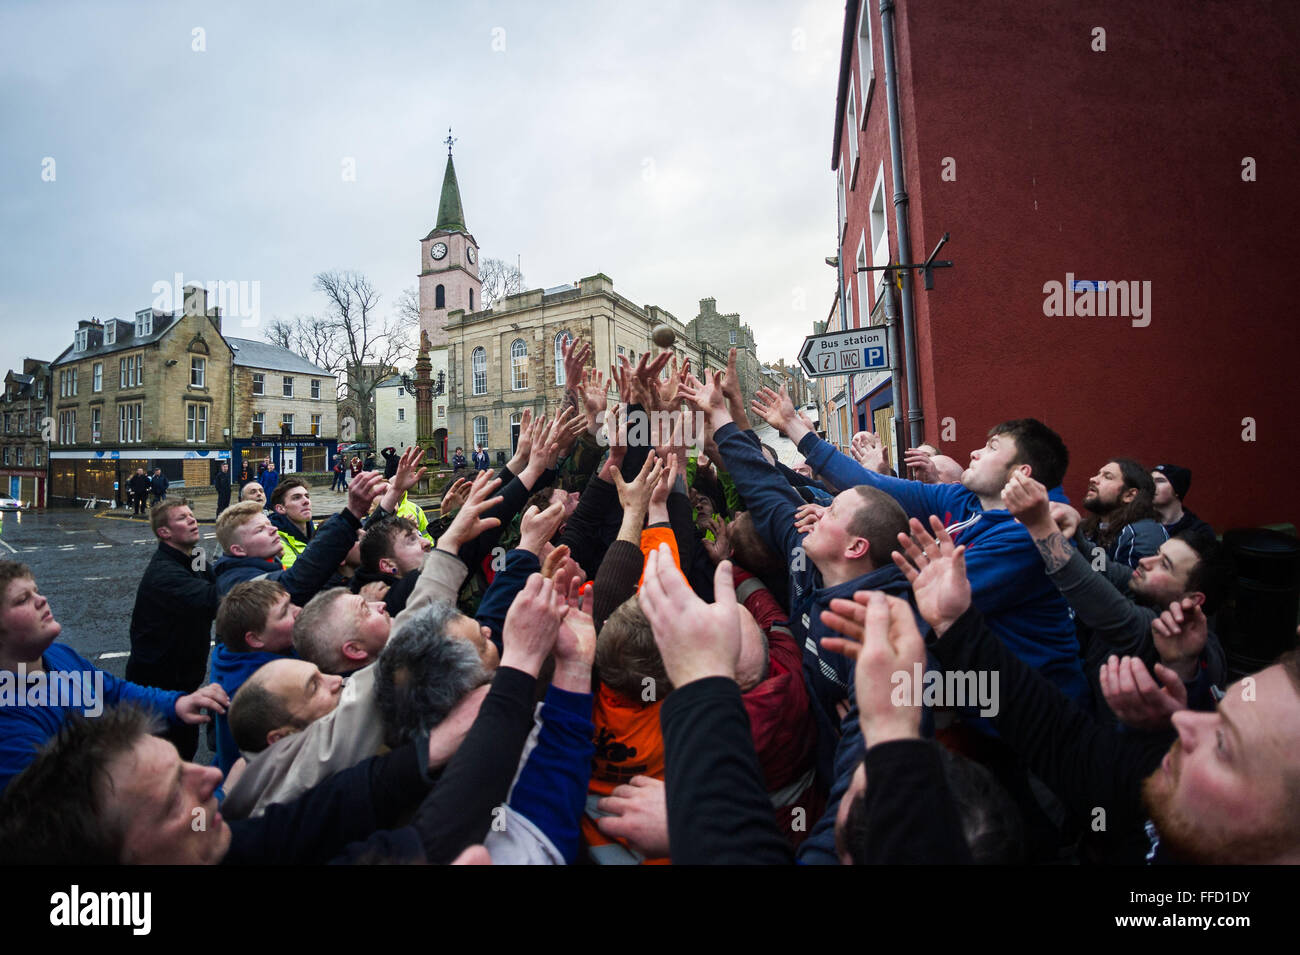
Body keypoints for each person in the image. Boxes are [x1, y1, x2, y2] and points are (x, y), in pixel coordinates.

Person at [0, 560, 228, 795]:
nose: (41, 600)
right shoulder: (8, 722)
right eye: (22, 600)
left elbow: (113, 693)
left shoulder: (57, 656)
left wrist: (177, 704)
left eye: (36, 591)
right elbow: (53, 810)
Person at [125, 500, 221, 761]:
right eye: (182, 518)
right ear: (164, 533)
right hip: (158, 689)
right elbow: (216, 599)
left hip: (184, 681)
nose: (192, 520)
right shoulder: (164, 574)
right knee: (166, 761)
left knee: (184, 752)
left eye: (191, 515)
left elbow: (215, 577)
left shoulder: (194, 557)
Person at [208, 579, 300, 774]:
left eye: (291, 603)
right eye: (284, 612)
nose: (298, 610)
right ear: (255, 639)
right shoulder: (261, 689)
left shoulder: (233, 653)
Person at [1077, 458, 1168, 578]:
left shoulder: (1143, 534)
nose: (1093, 479)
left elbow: (1134, 591)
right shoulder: (1093, 527)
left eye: (1107, 477)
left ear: (1129, 495)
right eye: (1098, 474)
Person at [1152, 463, 1216, 548]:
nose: (1151, 486)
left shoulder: (1198, 530)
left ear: (1177, 490)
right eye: (1150, 481)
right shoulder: (1138, 522)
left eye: (1160, 481)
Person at [269, 478, 314, 569]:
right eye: (296, 497)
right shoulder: (275, 541)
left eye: (307, 496)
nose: (306, 501)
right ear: (281, 508)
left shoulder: (320, 531)